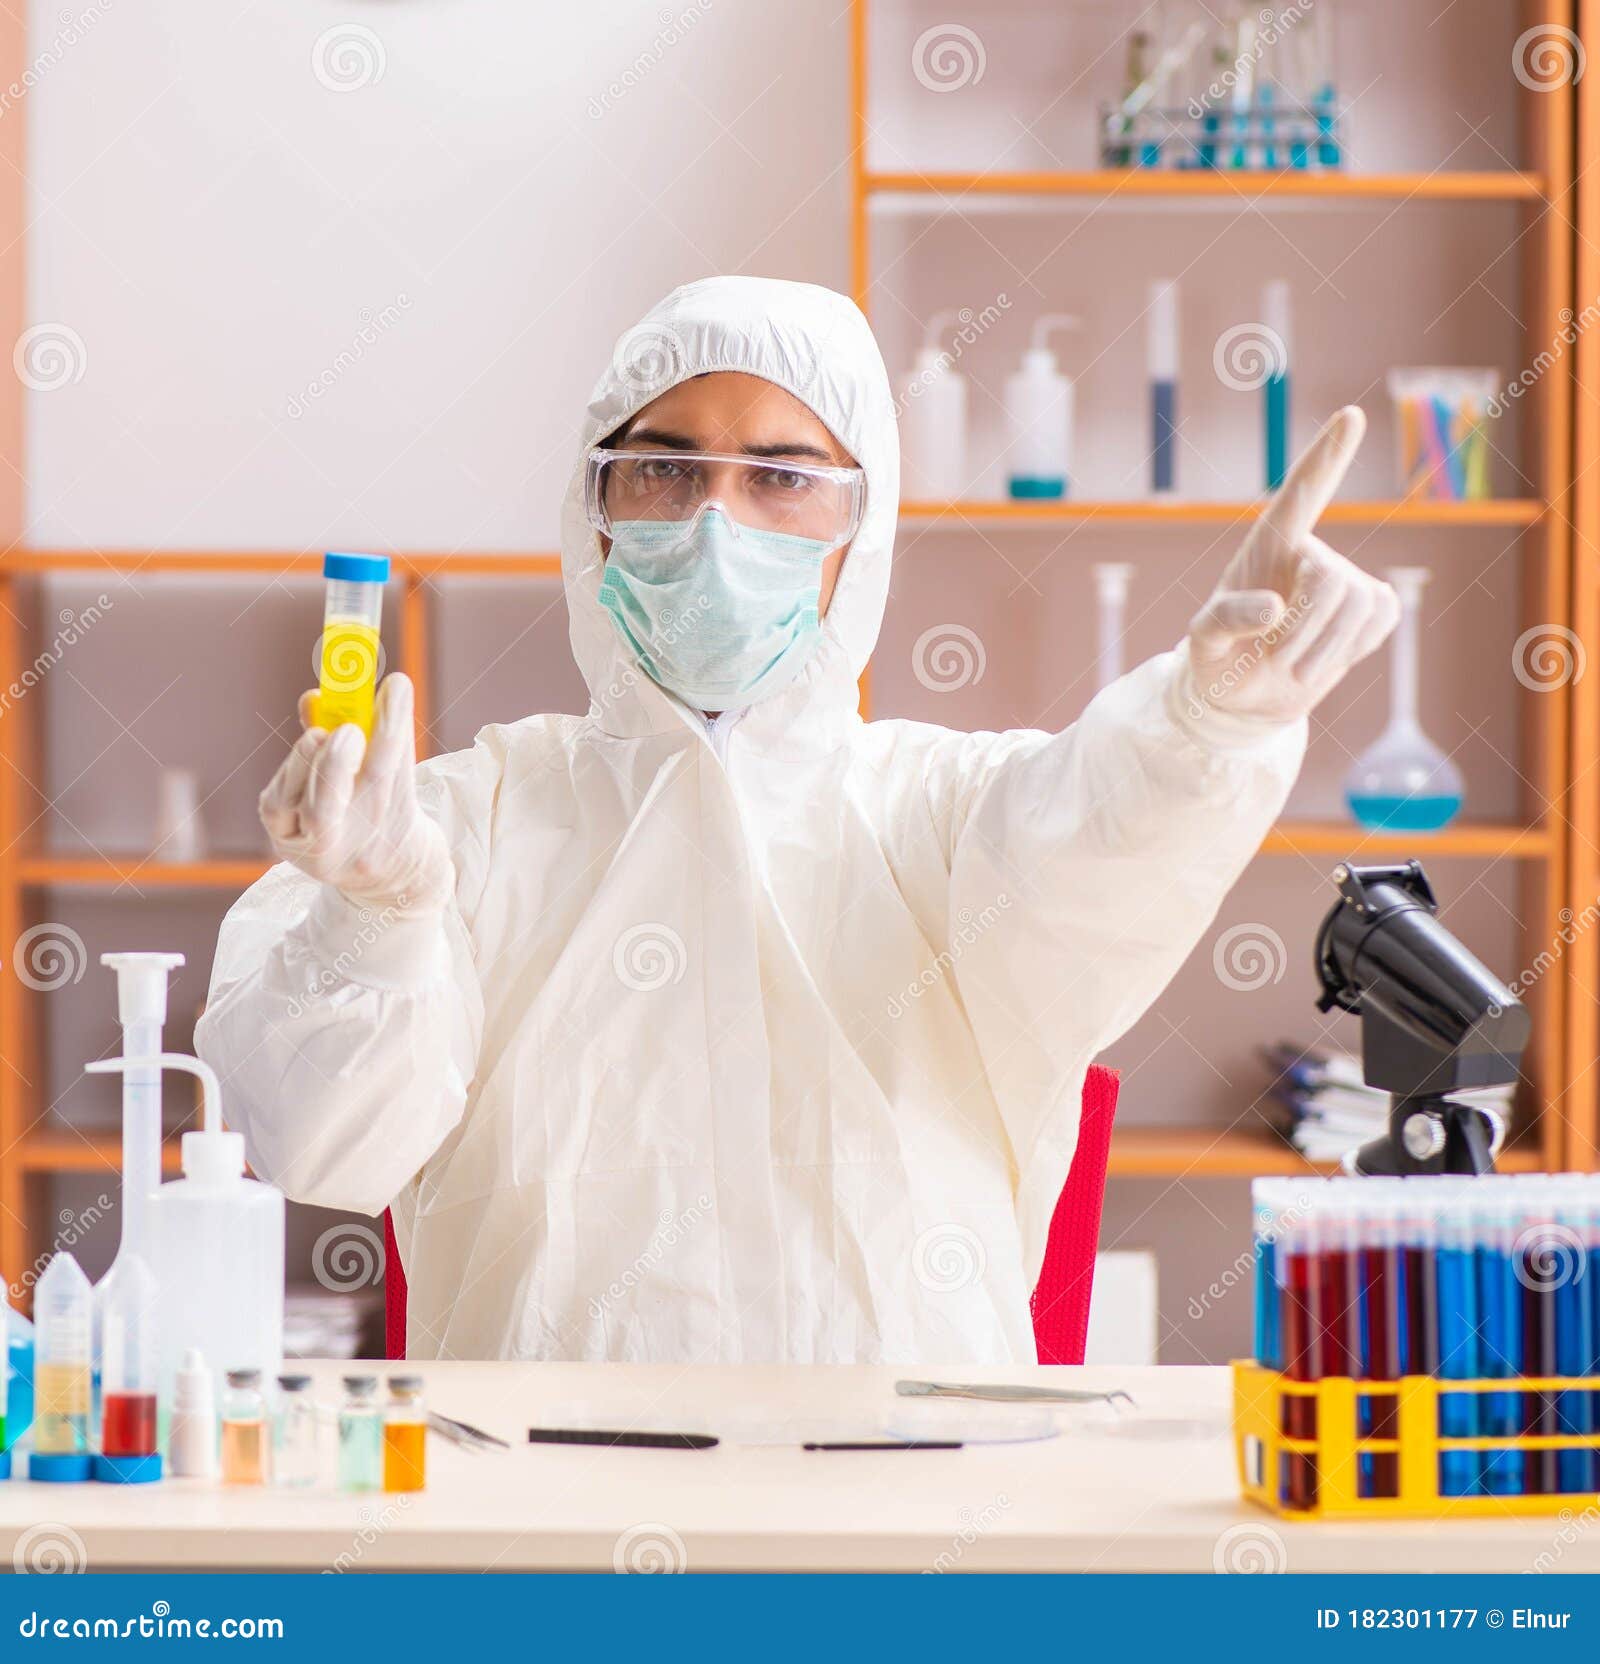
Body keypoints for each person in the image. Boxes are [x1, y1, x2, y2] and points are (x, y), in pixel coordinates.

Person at [196, 276, 1398, 1364]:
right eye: (665, 469)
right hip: (541, 1480)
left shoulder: (936, 806)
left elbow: (1094, 845)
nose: (715, 523)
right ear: (596, 505)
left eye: (780, 477)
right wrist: (377, 917)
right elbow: (324, 1147)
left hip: (896, 1479)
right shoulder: (454, 822)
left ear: (859, 529)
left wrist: (1204, 722)